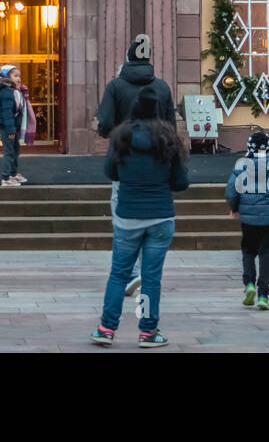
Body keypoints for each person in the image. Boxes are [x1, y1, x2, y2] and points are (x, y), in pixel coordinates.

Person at [90, 85, 190, 349]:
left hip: (128, 217)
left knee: (118, 274)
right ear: (156, 111)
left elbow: (110, 172)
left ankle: (106, 329)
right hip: (160, 217)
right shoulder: (169, 138)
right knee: (151, 277)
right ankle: (148, 333)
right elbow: (181, 182)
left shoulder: (121, 137)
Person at [96, 38, 178, 297]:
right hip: (158, 164)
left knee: (122, 215)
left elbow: (106, 121)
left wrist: (116, 133)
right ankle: (145, 272)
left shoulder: (116, 86)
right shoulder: (162, 87)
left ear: (128, 58)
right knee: (154, 218)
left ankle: (129, 273)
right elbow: (171, 128)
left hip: (124, 160)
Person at [225, 130, 269, 311]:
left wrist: (234, 207)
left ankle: (248, 284)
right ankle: (263, 294)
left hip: (248, 219)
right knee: (267, 256)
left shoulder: (241, 166)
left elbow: (232, 191)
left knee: (248, 252)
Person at [0, 64, 28, 186]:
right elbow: (7, 113)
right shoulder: (7, 92)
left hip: (13, 127)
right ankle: (5, 177)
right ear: (7, 77)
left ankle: (13, 174)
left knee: (15, 150)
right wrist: (11, 131)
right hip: (8, 128)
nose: (18, 78)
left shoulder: (15, 91)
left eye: (19, 76)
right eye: (15, 76)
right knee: (9, 151)